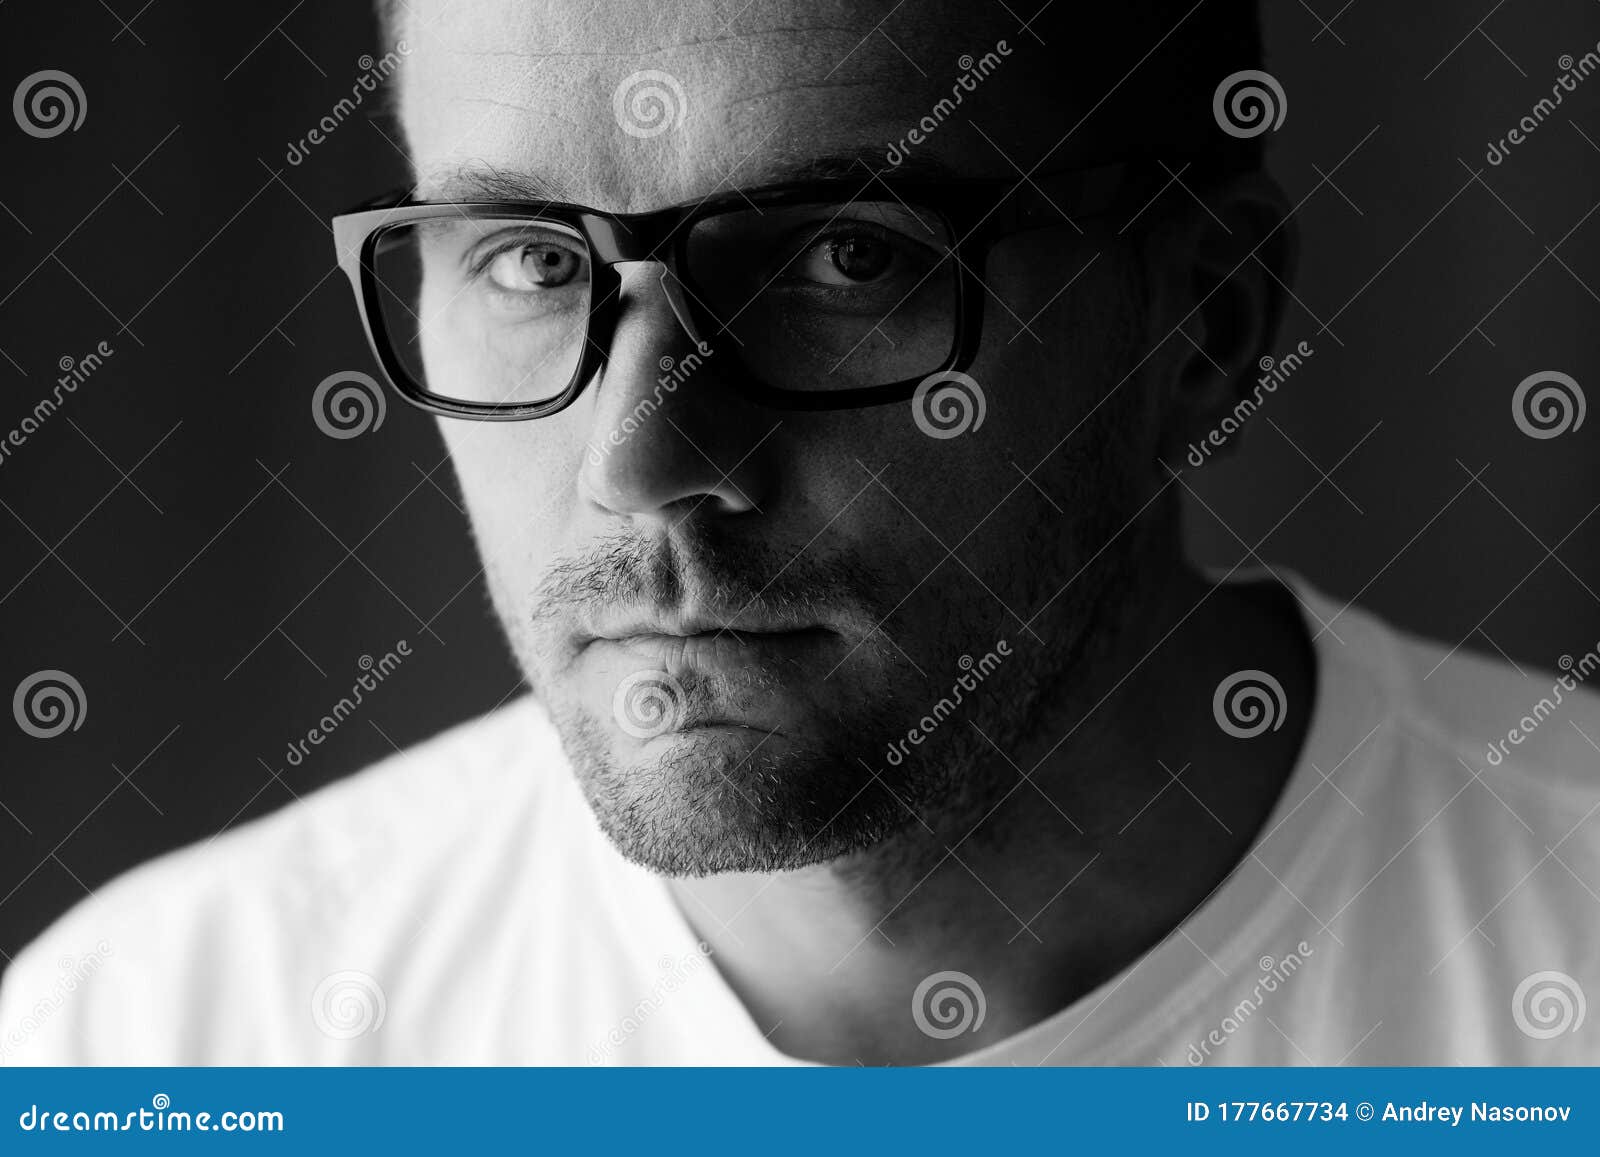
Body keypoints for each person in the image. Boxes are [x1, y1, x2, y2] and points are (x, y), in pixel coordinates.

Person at [3, 0, 1596, 1066]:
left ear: (1202, 323)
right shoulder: (170, 1034)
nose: (639, 459)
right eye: (526, 261)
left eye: (846, 258)